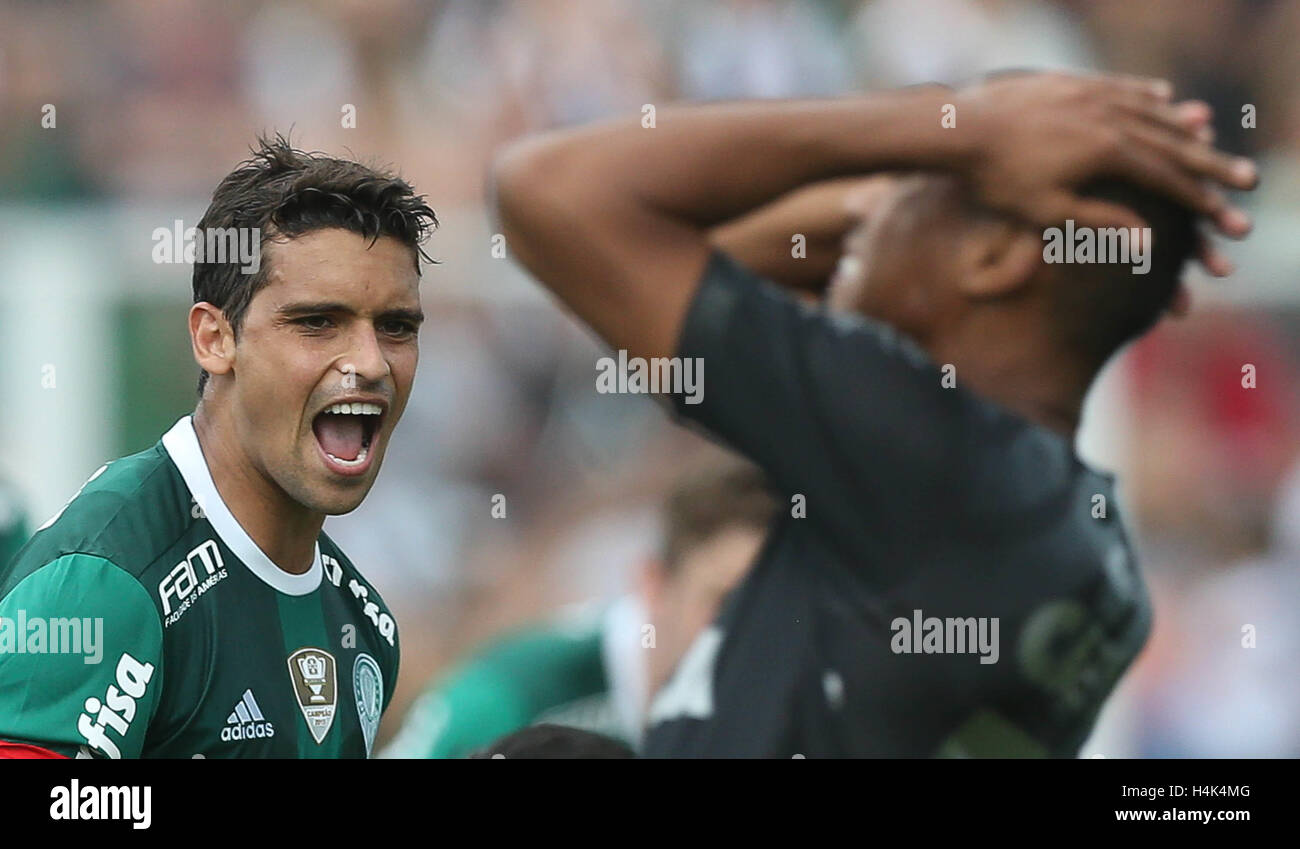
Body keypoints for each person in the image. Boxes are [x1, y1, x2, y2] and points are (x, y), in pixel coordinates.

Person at [490, 72, 1258, 756]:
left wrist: (958, 123)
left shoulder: (922, 449)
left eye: (913, 187)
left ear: (993, 259)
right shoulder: (1094, 552)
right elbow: (667, 276)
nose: (869, 205)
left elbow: (548, 189)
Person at [0, 135, 436, 758]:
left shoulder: (364, 625)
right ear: (215, 338)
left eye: (396, 328)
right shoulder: (105, 583)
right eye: (317, 322)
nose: (369, 364)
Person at [380, 457, 774, 757]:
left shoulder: (790, 697)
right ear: (654, 584)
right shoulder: (508, 700)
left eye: (770, 608)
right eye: (724, 602)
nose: (749, 632)